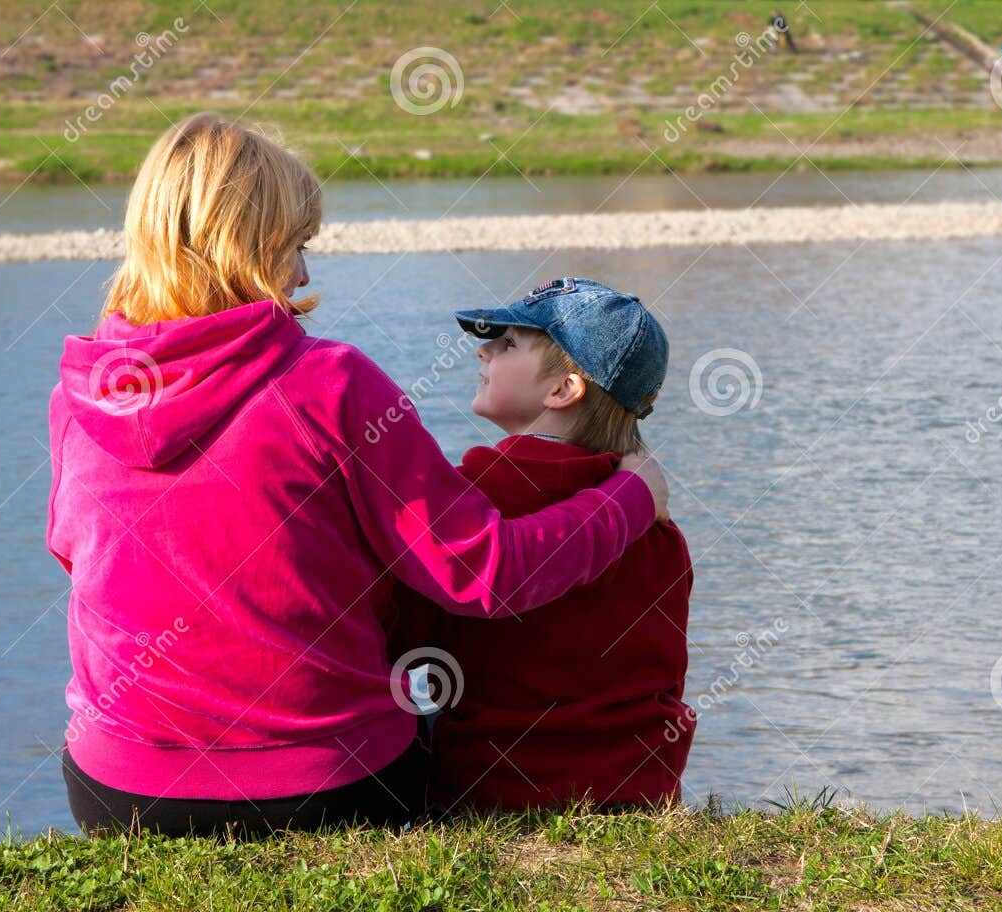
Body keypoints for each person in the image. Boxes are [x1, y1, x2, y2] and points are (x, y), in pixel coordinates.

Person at [48, 117, 669, 838]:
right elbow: (484, 572)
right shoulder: (329, 384)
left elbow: (78, 557)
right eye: (295, 246)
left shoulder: (79, 394)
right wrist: (632, 496)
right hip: (321, 787)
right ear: (245, 248)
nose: (304, 274)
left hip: (118, 790)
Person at [388, 279, 695, 813]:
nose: (483, 349)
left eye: (507, 344)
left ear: (562, 390)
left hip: (491, 788)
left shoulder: (475, 501)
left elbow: (408, 639)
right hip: (637, 790)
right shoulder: (658, 527)